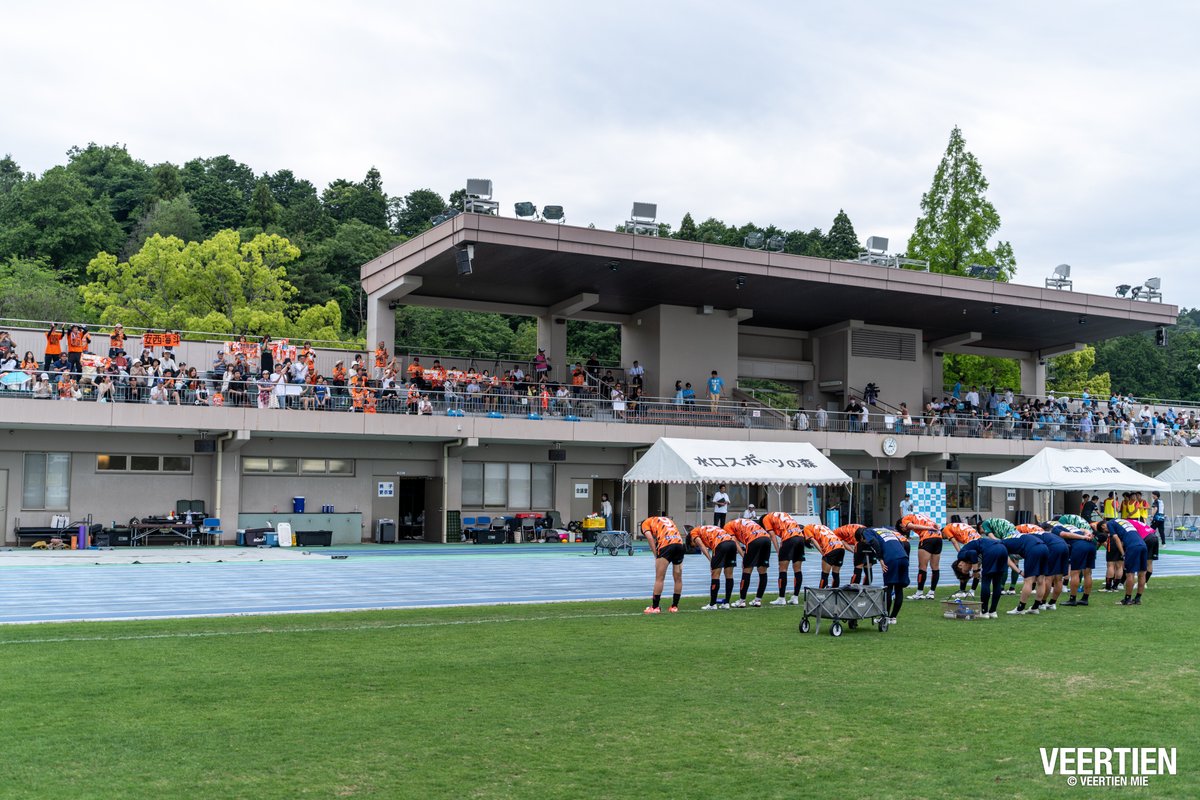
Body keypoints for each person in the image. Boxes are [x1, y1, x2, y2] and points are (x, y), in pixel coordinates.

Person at [855, 526, 910, 625]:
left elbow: (874, 543)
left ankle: (885, 617)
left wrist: (880, 559)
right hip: (903, 557)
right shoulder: (885, 530)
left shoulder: (867, 532)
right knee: (899, 589)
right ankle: (893, 618)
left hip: (891, 559)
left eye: (863, 541)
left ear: (861, 537)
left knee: (888, 588)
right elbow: (902, 543)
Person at [952, 537, 1015, 618]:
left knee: (986, 580)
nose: (969, 569)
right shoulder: (968, 556)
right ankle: (993, 611)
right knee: (997, 582)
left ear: (960, 565)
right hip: (1003, 549)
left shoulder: (961, 554)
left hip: (991, 550)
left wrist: (976, 571)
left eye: (966, 571)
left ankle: (984, 612)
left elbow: (973, 553)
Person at [640, 516, 685, 614]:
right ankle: (674, 606)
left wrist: (656, 554)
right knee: (678, 578)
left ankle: (655, 607)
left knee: (659, 578)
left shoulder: (645, 523)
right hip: (679, 544)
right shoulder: (664, 519)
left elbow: (650, 538)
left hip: (666, 545)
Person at [689, 525, 741, 610]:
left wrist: (711, 560)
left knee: (715, 575)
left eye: (694, 545)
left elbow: (702, 546)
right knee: (729, 574)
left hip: (720, 543)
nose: (696, 545)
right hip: (732, 543)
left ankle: (712, 604)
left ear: (690, 539)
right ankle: (727, 602)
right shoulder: (707, 528)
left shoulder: (693, 533)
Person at [724, 517, 771, 608]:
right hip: (766, 538)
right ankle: (758, 600)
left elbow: (734, 542)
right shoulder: (745, 521)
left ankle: (742, 601)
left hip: (753, 539)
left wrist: (743, 556)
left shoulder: (728, 526)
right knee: (762, 571)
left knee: (747, 570)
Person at [1000, 530, 1049, 615]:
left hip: (1033, 549)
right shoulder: (1013, 538)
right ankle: (1035, 607)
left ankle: (1020, 608)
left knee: (1028, 580)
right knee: (1041, 580)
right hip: (1044, 547)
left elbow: (1007, 560)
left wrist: (1019, 572)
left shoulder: (1001, 544)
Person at [760, 510, 805, 605]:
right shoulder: (782, 514)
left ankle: (781, 598)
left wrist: (778, 551)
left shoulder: (765, 518)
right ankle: (795, 597)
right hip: (800, 537)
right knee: (797, 569)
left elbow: (772, 535)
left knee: (782, 569)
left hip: (789, 538)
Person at [1102, 518, 1149, 606]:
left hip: (1132, 547)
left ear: (1104, 525)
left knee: (1130, 574)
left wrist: (1123, 554)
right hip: (1143, 545)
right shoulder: (1124, 522)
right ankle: (1138, 599)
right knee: (1142, 573)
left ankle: (1127, 599)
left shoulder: (1110, 523)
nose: (1106, 532)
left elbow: (1116, 539)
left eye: (1105, 530)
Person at [1054, 518, 1098, 607]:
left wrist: (1083, 537)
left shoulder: (1055, 528)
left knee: (1075, 573)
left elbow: (1064, 534)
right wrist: (1087, 533)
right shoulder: (1072, 526)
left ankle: (1072, 599)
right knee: (1088, 573)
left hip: (1079, 546)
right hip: (1091, 545)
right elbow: (1084, 529)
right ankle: (1085, 598)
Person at [900, 513, 942, 600]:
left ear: (901, 524)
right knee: (935, 567)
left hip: (927, 538)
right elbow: (935, 525)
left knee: (922, 567)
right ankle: (931, 592)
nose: (906, 530)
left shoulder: (905, 519)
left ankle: (919, 592)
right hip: (938, 537)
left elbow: (913, 526)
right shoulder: (923, 516)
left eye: (903, 528)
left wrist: (927, 528)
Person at [942, 522, 982, 598]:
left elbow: (954, 542)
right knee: (977, 568)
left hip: (972, 543)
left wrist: (961, 554)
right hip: (980, 542)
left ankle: (962, 590)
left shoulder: (946, 529)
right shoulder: (956, 525)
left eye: (945, 537)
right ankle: (972, 591)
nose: (947, 538)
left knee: (962, 567)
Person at [802, 523, 847, 589]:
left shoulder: (806, 528)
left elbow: (813, 540)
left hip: (831, 547)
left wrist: (822, 552)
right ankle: (835, 595)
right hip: (840, 547)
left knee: (824, 575)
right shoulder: (822, 526)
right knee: (836, 574)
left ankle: (821, 595)